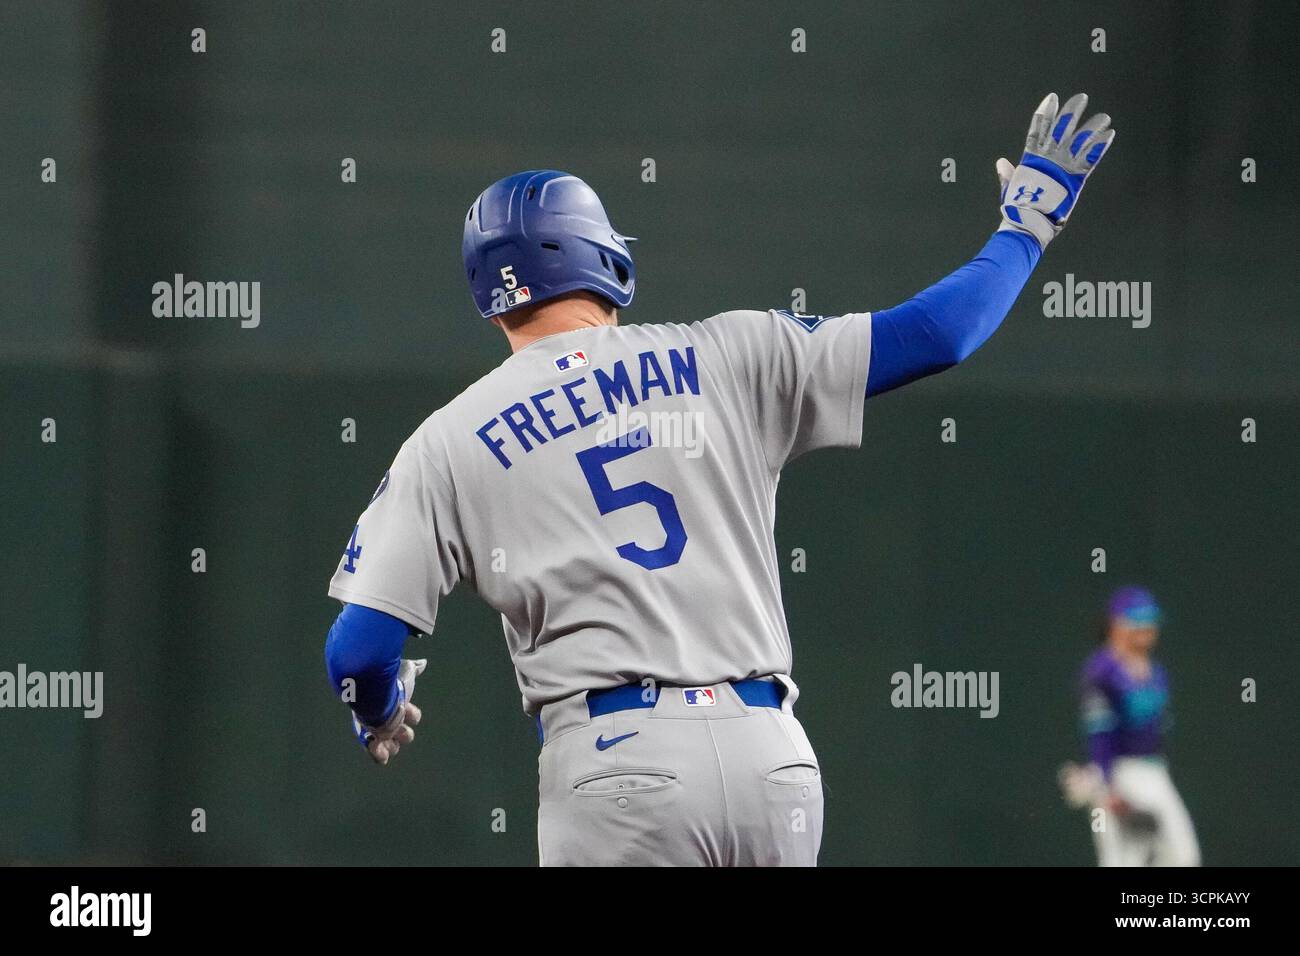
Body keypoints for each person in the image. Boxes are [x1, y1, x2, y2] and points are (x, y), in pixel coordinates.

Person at [324, 92, 1115, 866]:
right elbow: (941, 333)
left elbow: (357, 650)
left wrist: (382, 709)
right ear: (607, 259)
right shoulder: (730, 353)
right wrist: (1025, 227)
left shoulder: (448, 440)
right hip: (769, 756)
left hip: (616, 770)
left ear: (492, 304)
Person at [1061, 586, 1201, 866]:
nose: (1146, 627)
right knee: (1122, 863)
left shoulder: (1156, 672)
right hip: (1119, 772)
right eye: (1137, 620)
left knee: (1183, 858)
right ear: (1115, 624)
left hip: (1155, 772)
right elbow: (1100, 733)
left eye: (1150, 620)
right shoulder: (1101, 671)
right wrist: (1106, 785)